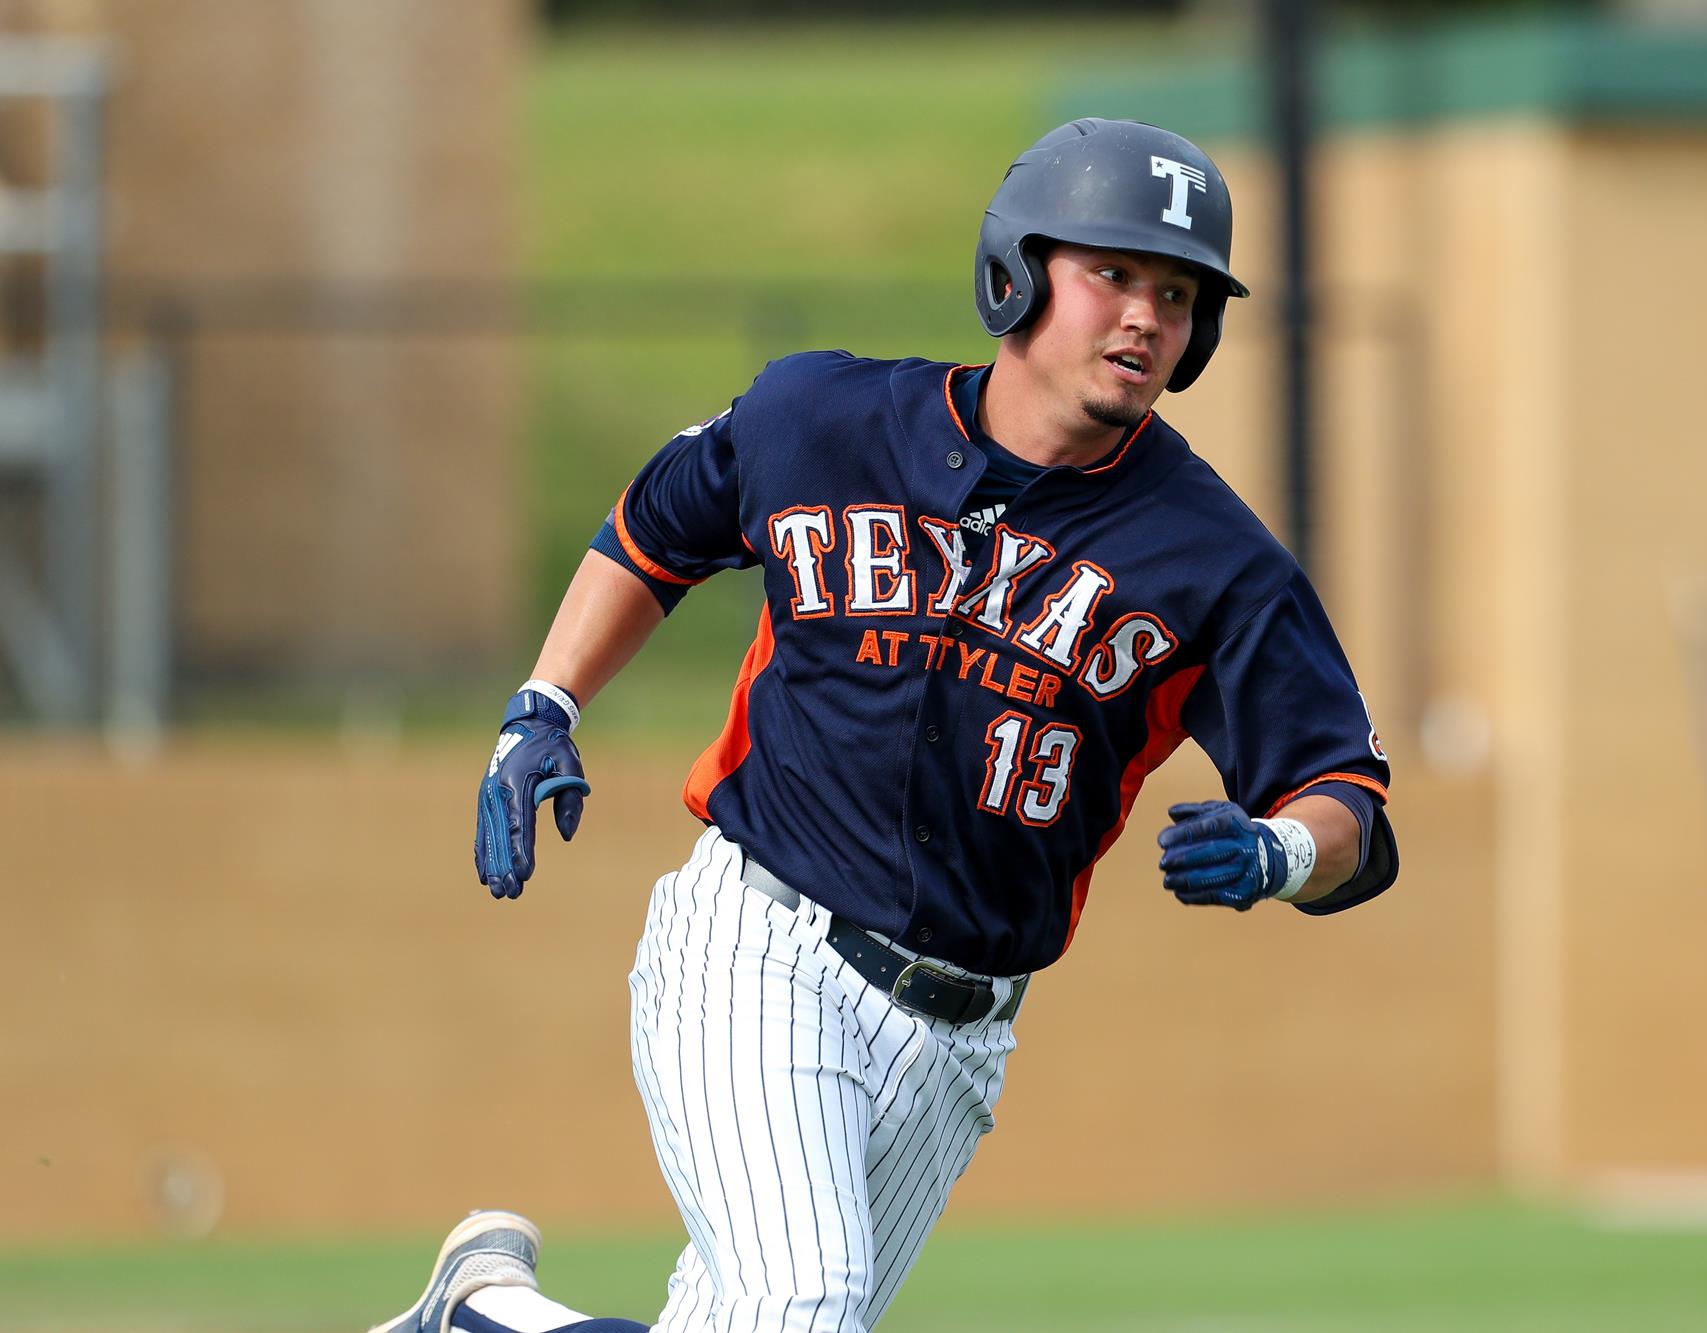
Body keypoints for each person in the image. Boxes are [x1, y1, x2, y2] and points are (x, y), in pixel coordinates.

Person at [371, 116, 1397, 1333]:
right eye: (1110, 273)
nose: (1142, 316)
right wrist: (544, 701)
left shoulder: (1213, 558)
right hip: (761, 943)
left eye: (1176, 294)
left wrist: (1282, 853)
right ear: (1014, 272)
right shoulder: (825, 418)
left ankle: (481, 1313)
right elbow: (656, 527)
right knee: (803, 1307)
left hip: (959, 1038)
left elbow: (1347, 796)